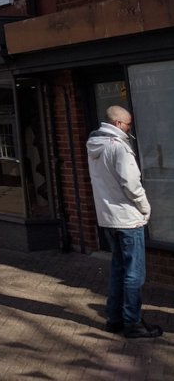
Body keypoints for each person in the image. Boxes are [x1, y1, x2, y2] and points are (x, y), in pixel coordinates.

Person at [87, 105, 163, 339]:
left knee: (119, 270)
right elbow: (132, 185)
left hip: (109, 218)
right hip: (128, 219)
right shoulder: (119, 148)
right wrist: (145, 208)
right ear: (119, 124)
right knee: (134, 274)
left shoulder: (95, 146)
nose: (130, 128)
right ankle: (132, 322)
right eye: (128, 124)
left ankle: (114, 319)